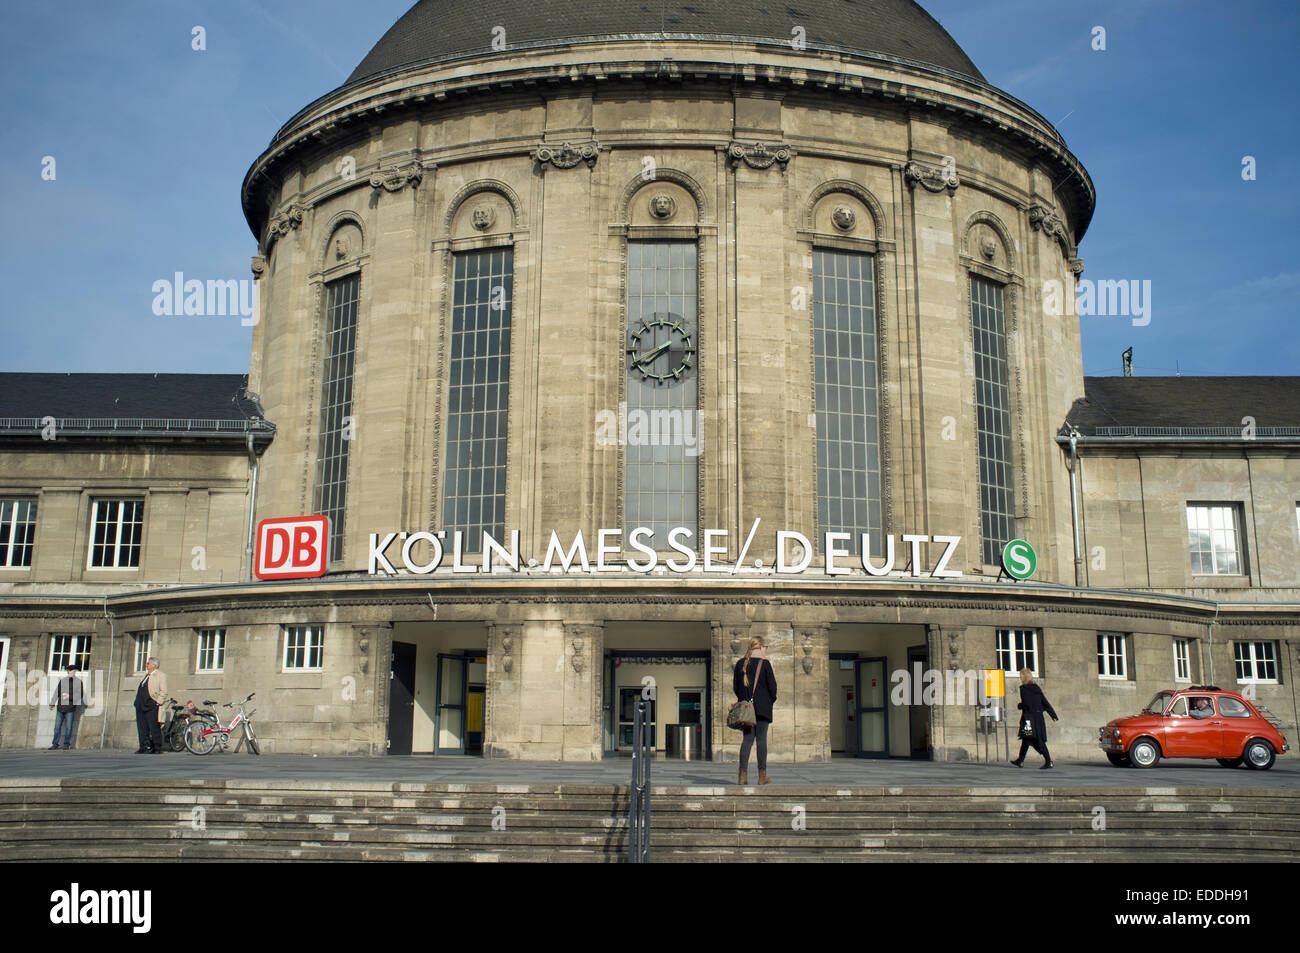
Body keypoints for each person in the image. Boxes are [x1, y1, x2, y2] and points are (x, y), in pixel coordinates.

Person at [733, 636, 777, 785]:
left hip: (746, 709)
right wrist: (769, 701)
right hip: (763, 709)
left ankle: (742, 775)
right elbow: (773, 688)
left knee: (747, 740)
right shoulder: (765, 664)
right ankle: (762, 776)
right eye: (766, 647)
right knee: (761, 740)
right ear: (761, 647)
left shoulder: (740, 664)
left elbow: (736, 688)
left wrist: (744, 700)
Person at [1010, 668, 1058, 769]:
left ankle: (1048, 761)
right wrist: (1053, 715)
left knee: (1037, 740)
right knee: (1027, 739)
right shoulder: (1036, 688)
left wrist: (1020, 706)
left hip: (1029, 718)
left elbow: (1027, 704)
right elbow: (1044, 702)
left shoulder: (1024, 689)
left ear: (1023, 677)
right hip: (1038, 718)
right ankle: (1020, 760)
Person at [48, 664, 87, 750]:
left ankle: (66, 744)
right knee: (57, 727)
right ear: (68, 671)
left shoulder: (78, 682)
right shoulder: (63, 681)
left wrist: (69, 696)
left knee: (69, 727)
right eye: (71, 671)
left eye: (74, 671)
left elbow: (79, 695)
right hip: (60, 707)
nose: (73, 672)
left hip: (70, 708)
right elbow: (56, 692)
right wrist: (52, 703)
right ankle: (55, 744)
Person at [133, 657, 167, 754]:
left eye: (148, 663)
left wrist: (158, 702)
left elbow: (164, 690)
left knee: (154, 726)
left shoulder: (160, 675)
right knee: (142, 727)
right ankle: (143, 746)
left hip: (151, 704)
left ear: (154, 665)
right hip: (140, 705)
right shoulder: (145, 675)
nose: (146, 665)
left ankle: (157, 747)